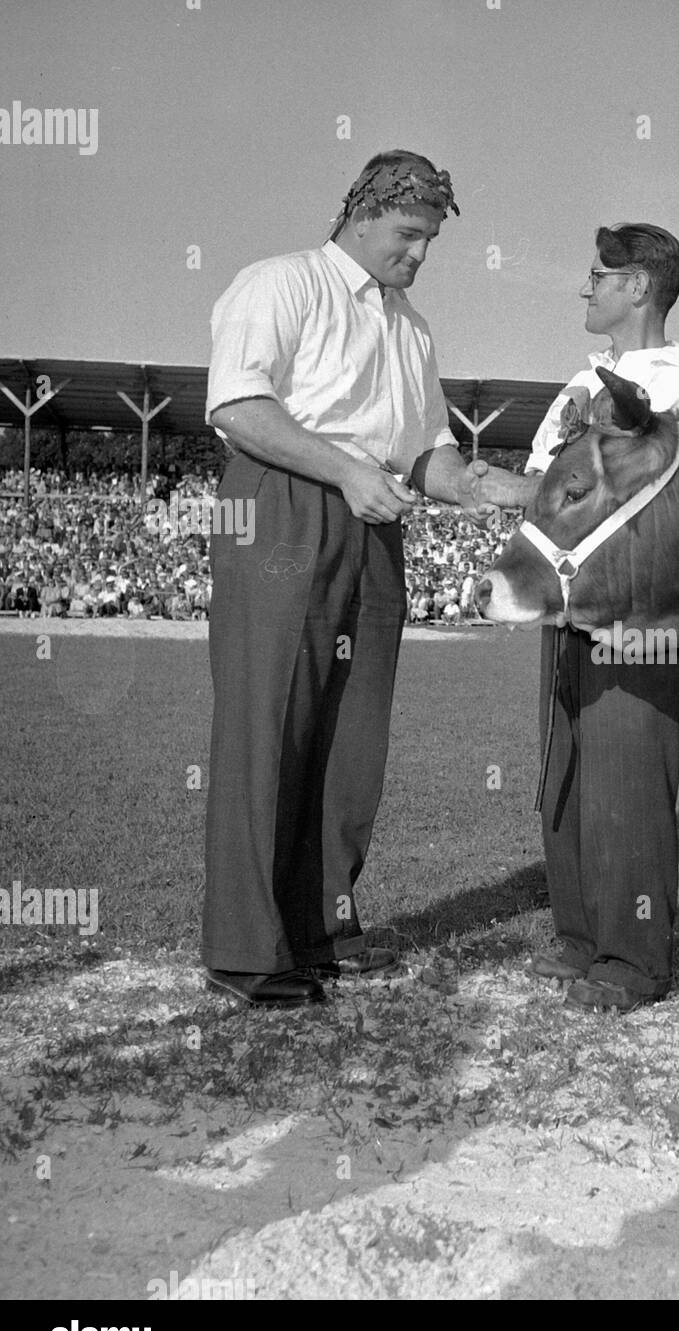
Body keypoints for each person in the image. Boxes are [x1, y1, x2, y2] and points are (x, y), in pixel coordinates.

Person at [201, 148, 514, 1008]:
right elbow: (237, 405)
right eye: (409, 235)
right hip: (283, 505)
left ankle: (323, 925)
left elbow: (430, 455)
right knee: (271, 722)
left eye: (430, 242)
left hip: (374, 521)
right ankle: (246, 948)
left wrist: (517, 490)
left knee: (353, 735)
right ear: (363, 212)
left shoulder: (410, 326)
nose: (418, 255)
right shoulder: (281, 283)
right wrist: (342, 470)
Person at [480, 223, 679, 1011]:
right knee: (570, 770)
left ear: (639, 287)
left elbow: (636, 501)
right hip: (571, 602)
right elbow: (550, 484)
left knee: (628, 775)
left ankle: (632, 957)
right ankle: (580, 935)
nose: (587, 288)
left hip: (639, 614)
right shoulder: (583, 381)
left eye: (599, 276)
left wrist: (510, 488)